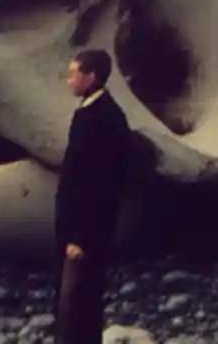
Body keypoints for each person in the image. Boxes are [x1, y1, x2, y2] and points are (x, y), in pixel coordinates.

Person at [55, 49, 132, 344]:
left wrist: (79, 236)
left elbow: (97, 184)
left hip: (86, 235)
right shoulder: (94, 112)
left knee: (75, 304)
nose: (69, 80)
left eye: (74, 73)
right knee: (78, 303)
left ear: (91, 77)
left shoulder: (102, 119)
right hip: (83, 232)